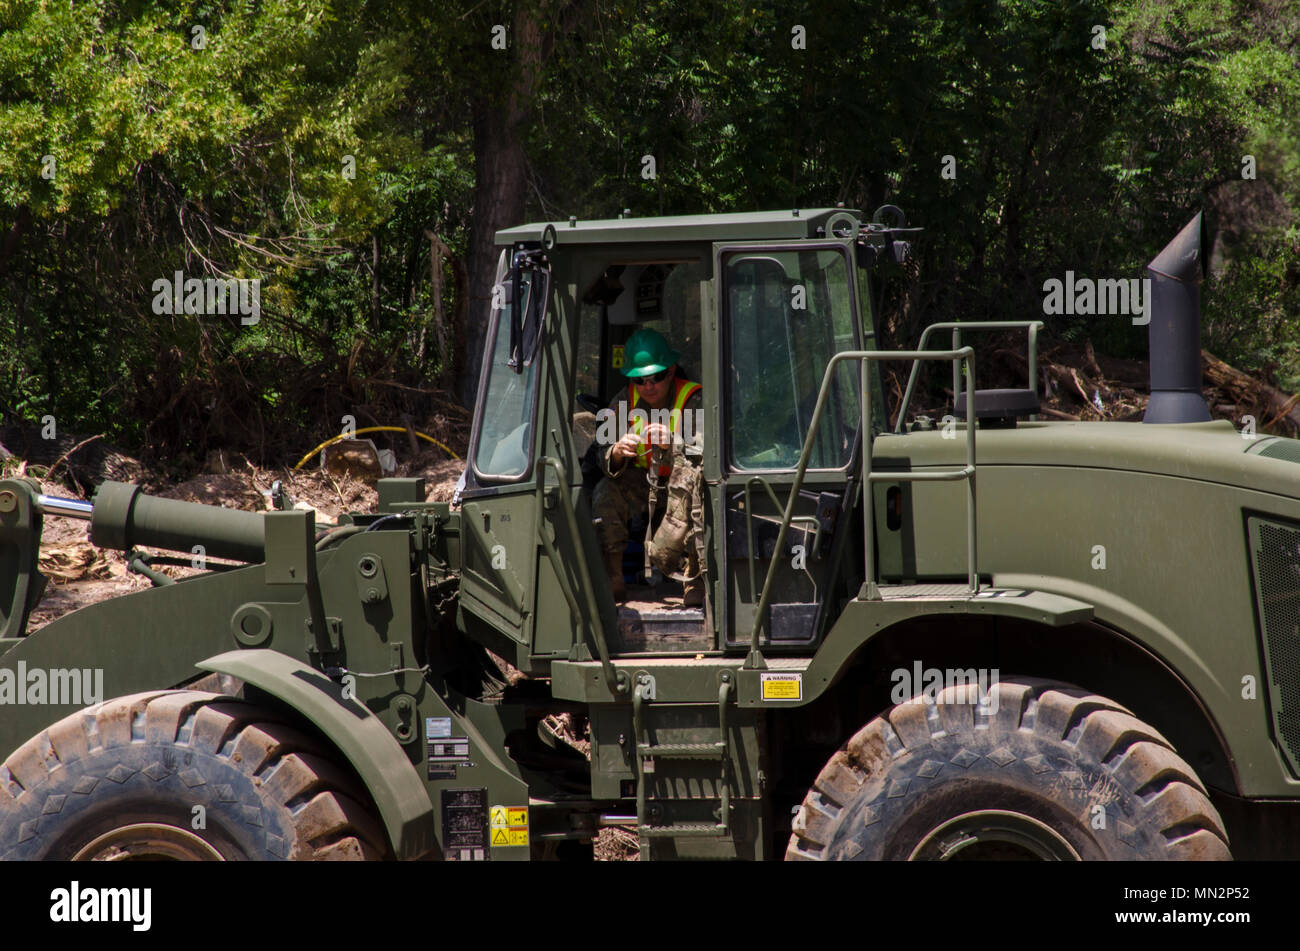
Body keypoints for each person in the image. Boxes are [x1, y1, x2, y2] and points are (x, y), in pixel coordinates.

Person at [592, 328, 705, 604]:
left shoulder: (693, 399)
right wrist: (617, 452)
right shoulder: (623, 401)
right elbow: (601, 453)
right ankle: (613, 577)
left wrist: (674, 444)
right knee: (605, 491)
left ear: (671, 371)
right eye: (640, 379)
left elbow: (708, 452)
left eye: (656, 377)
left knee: (703, 493)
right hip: (642, 484)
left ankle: (694, 576)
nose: (648, 385)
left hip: (685, 488)